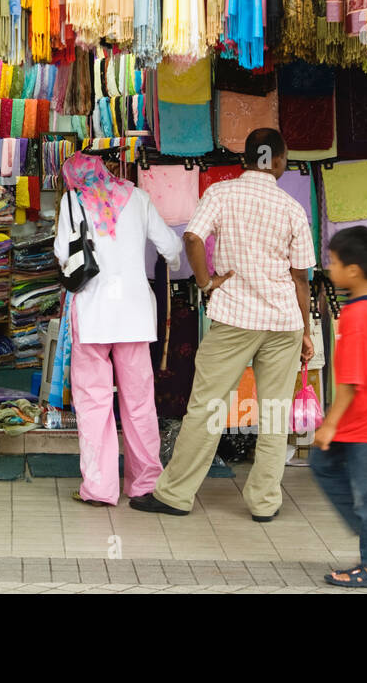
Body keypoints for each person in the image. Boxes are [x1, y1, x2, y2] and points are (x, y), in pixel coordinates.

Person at [134, 128, 316, 521]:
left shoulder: (221, 193)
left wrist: (205, 282)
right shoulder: (292, 208)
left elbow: (193, 238)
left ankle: (176, 494)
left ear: (246, 158)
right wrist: (307, 331)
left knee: (207, 406)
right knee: (273, 412)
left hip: (234, 318)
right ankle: (264, 503)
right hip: (284, 323)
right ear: (280, 161)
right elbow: (301, 278)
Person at [55, 152, 182, 507]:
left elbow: (63, 254)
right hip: (134, 315)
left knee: (94, 403)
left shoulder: (72, 199)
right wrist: (167, 264)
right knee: (139, 402)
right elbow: (171, 246)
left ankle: (99, 488)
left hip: (94, 315)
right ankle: (145, 483)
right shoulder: (138, 197)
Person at [312, 227, 367, 589]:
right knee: (325, 465)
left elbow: (350, 380)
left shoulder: (357, 315)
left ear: (353, 270)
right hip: (366, 411)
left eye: (333, 262)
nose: (328, 268)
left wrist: (329, 424)